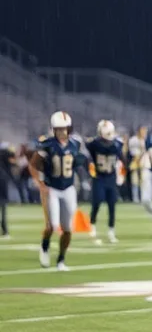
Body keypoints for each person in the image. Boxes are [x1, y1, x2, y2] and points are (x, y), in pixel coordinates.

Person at [30, 112, 81, 270]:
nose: (62, 132)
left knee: (67, 228)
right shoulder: (46, 144)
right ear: (53, 129)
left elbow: (74, 164)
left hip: (68, 188)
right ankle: (44, 248)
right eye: (59, 129)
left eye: (65, 129)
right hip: (51, 187)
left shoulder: (75, 144)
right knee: (51, 225)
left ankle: (61, 260)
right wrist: (40, 183)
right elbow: (33, 164)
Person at [85, 120, 125, 243]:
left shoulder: (117, 144)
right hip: (99, 177)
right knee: (96, 202)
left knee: (112, 205)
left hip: (111, 177)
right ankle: (92, 226)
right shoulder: (94, 144)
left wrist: (121, 173)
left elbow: (121, 159)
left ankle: (111, 231)